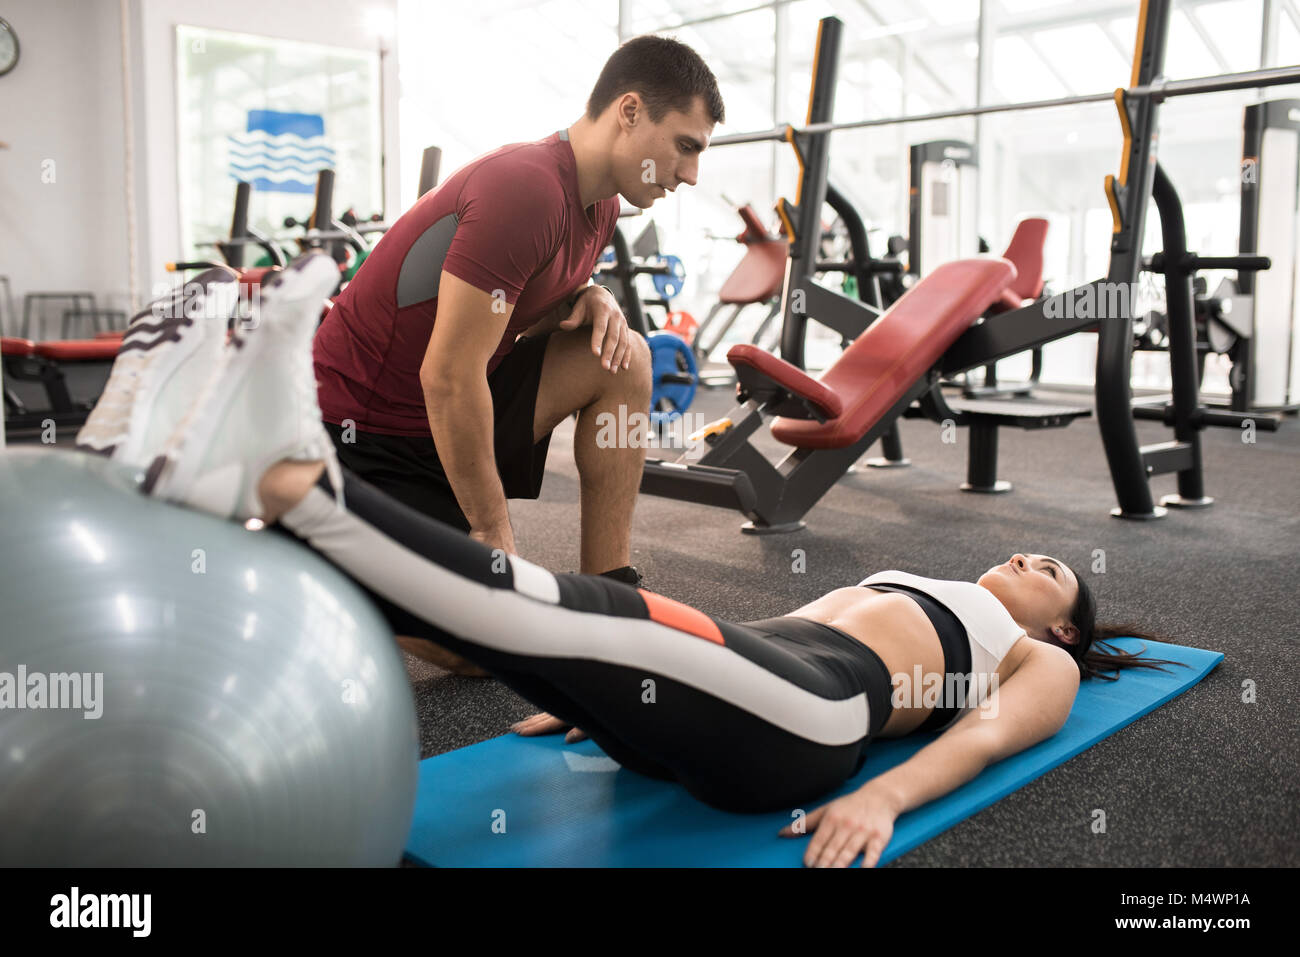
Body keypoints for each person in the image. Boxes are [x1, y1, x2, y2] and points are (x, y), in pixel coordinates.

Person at [80, 255, 1183, 868]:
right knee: (554, 627)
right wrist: (628, 681)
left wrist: (888, 799)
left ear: (1063, 630)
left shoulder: (1033, 662)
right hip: (755, 681)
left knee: (563, 608)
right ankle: (248, 483)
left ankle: (280, 480)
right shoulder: (930, 587)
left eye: (1052, 572)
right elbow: (752, 637)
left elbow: (987, 738)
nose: (1032, 556)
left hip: (816, 726)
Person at [310, 36, 725, 589]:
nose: (691, 174)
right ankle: (322, 556)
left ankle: (611, 589)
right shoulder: (525, 186)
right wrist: (491, 534)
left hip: (443, 417)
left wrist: (587, 294)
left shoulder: (600, 207)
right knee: (476, 639)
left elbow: (517, 307)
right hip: (362, 432)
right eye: (685, 146)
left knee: (625, 358)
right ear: (630, 111)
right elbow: (449, 374)